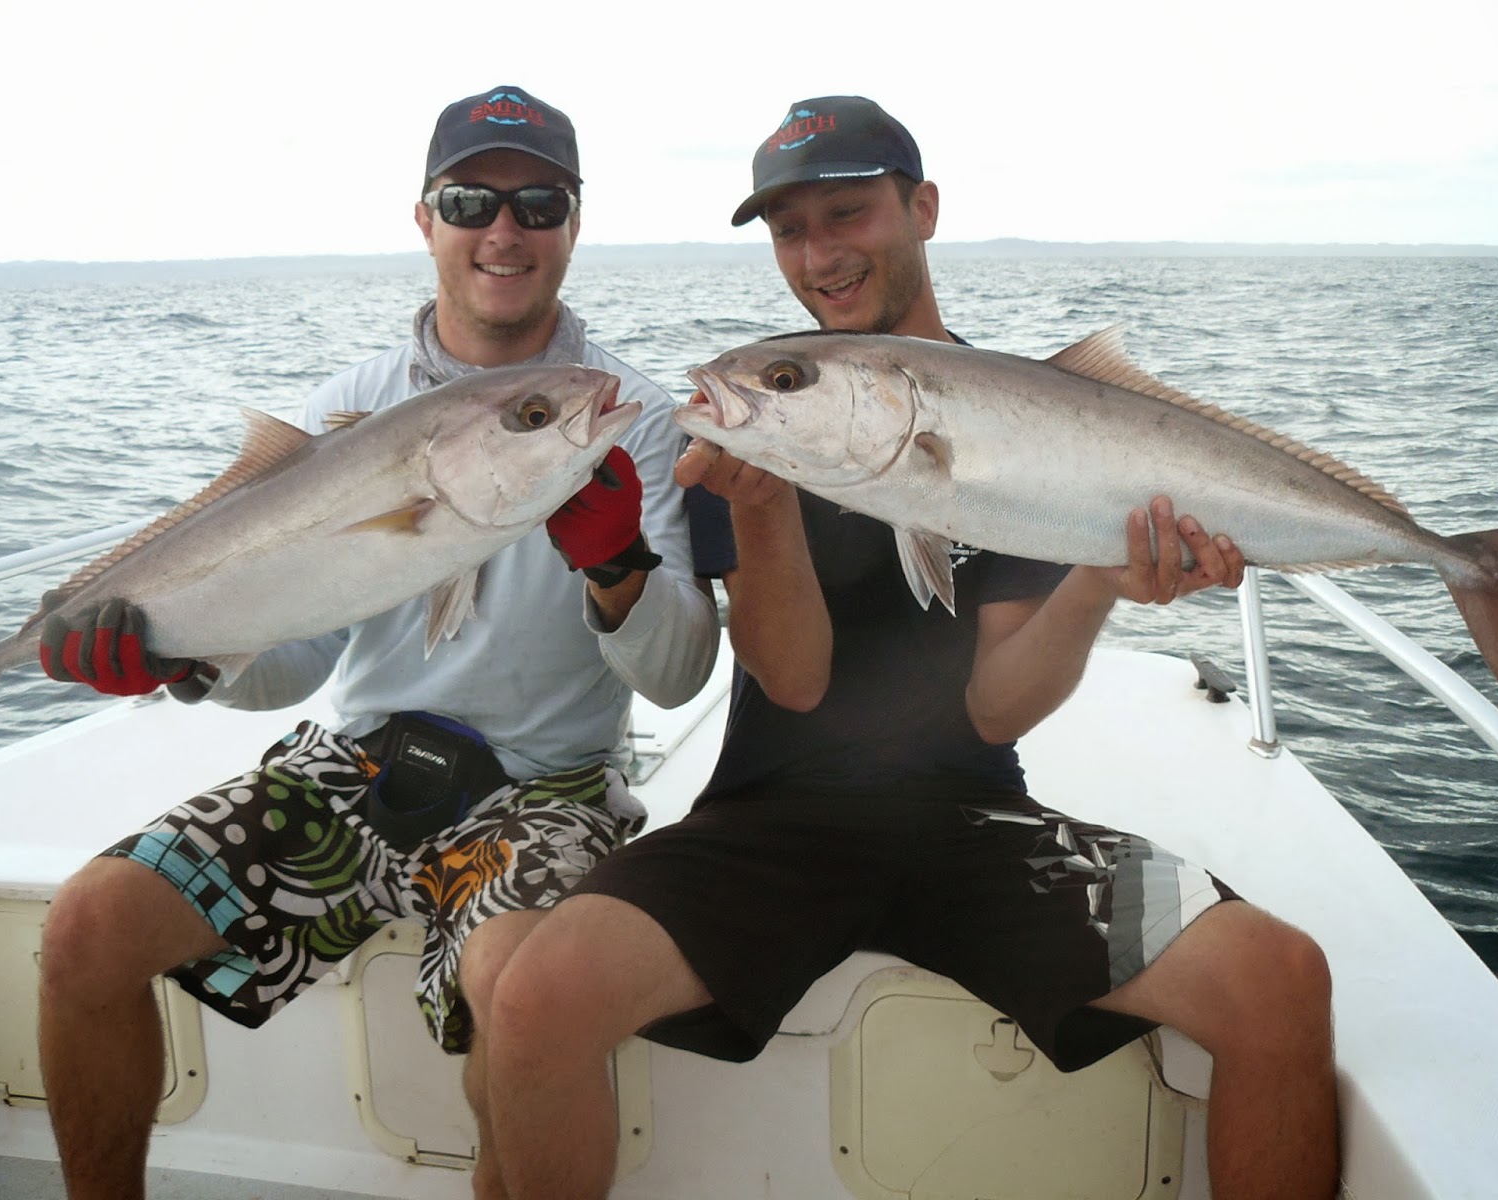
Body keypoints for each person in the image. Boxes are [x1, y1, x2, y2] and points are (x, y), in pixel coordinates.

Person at [479, 96, 1340, 1200]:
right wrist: (760, 508)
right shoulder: (750, 422)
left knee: (1275, 979)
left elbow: (996, 707)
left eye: (849, 214)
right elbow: (794, 682)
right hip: (769, 820)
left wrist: (1098, 574)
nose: (819, 254)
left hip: (973, 818)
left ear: (923, 207)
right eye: (790, 230)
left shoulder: (1035, 425)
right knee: (532, 998)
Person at [33, 85, 719, 1200]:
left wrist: (617, 566)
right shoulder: (351, 407)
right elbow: (297, 664)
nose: (505, 230)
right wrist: (188, 660)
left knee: (521, 990)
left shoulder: (621, 413)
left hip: (543, 792)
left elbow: (680, 675)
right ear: (425, 219)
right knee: (85, 927)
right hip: (347, 776)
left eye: (539, 203)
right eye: (472, 201)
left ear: (573, 224)